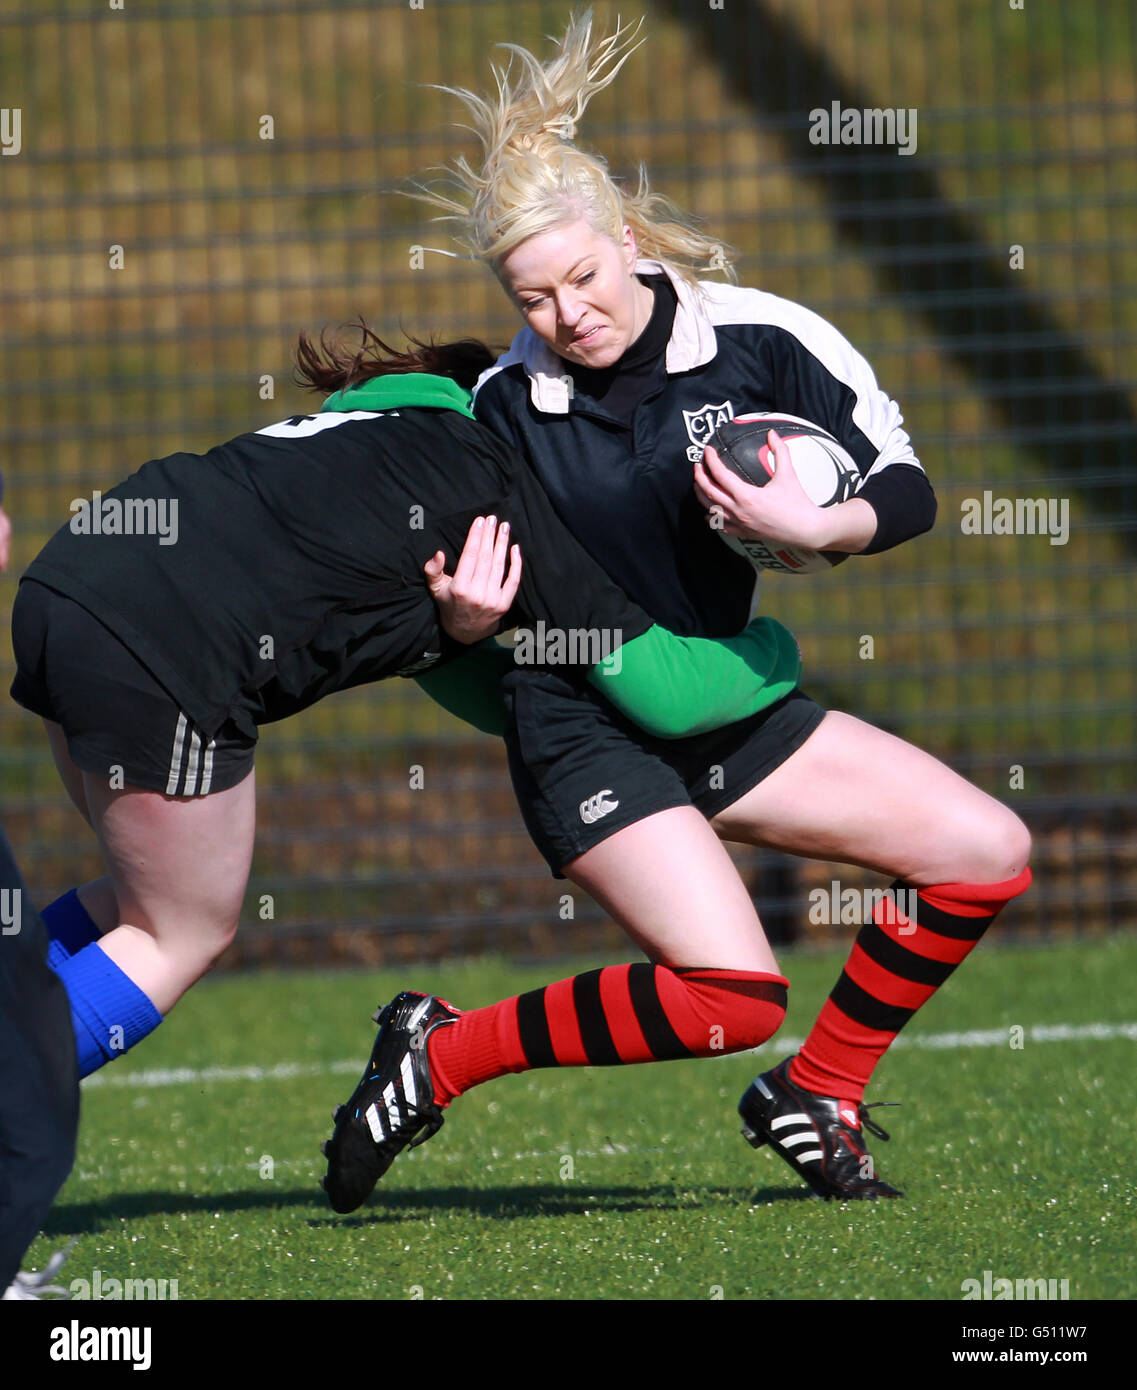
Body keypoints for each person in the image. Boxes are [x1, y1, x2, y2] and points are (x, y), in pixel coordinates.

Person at [322, 12, 1031, 1210]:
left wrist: (824, 529)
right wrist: (458, 624)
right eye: (532, 297)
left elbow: (903, 488)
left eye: (584, 279)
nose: (567, 316)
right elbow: (441, 609)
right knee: (730, 1001)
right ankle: (436, 1052)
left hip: (716, 684)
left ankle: (823, 1089)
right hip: (581, 718)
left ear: (630, 239)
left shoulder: (761, 337)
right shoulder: (504, 408)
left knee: (986, 855)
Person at [8, 331, 804, 1095]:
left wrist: (463, 635)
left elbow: (445, 663)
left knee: (136, 902)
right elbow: (673, 697)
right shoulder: (509, 490)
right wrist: (770, 646)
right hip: (170, 639)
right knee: (172, 935)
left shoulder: (385, 413)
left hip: (69, 580)